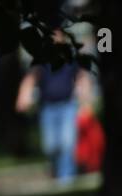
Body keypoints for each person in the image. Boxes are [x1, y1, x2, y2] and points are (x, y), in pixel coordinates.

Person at [15, 29, 93, 183]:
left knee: (67, 143)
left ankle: (65, 180)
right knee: (50, 145)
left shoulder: (70, 57)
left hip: (67, 106)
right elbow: (32, 77)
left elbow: (81, 77)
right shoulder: (42, 59)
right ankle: (56, 171)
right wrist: (23, 95)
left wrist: (86, 101)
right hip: (47, 108)